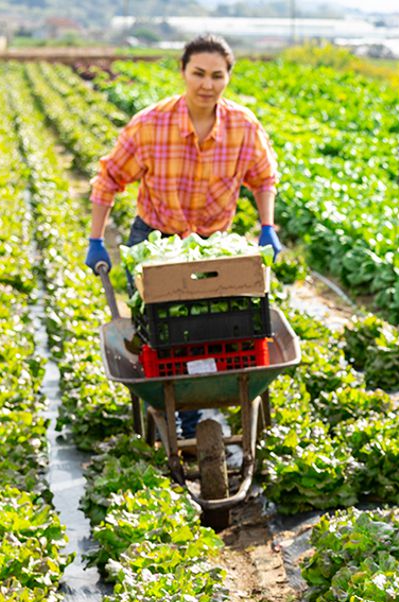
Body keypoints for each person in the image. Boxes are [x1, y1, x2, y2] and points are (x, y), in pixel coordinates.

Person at [85, 33, 281, 439]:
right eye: (199, 73)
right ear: (183, 72)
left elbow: (264, 179)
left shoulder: (243, 126)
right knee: (162, 333)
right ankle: (176, 408)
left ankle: (195, 405)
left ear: (228, 78)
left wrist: (267, 227)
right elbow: (108, 179)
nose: (207, 84)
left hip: (212, 247)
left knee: (213, 329)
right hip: (154, 244)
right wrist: (95, 239)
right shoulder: (150, 124)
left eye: (217, 76)